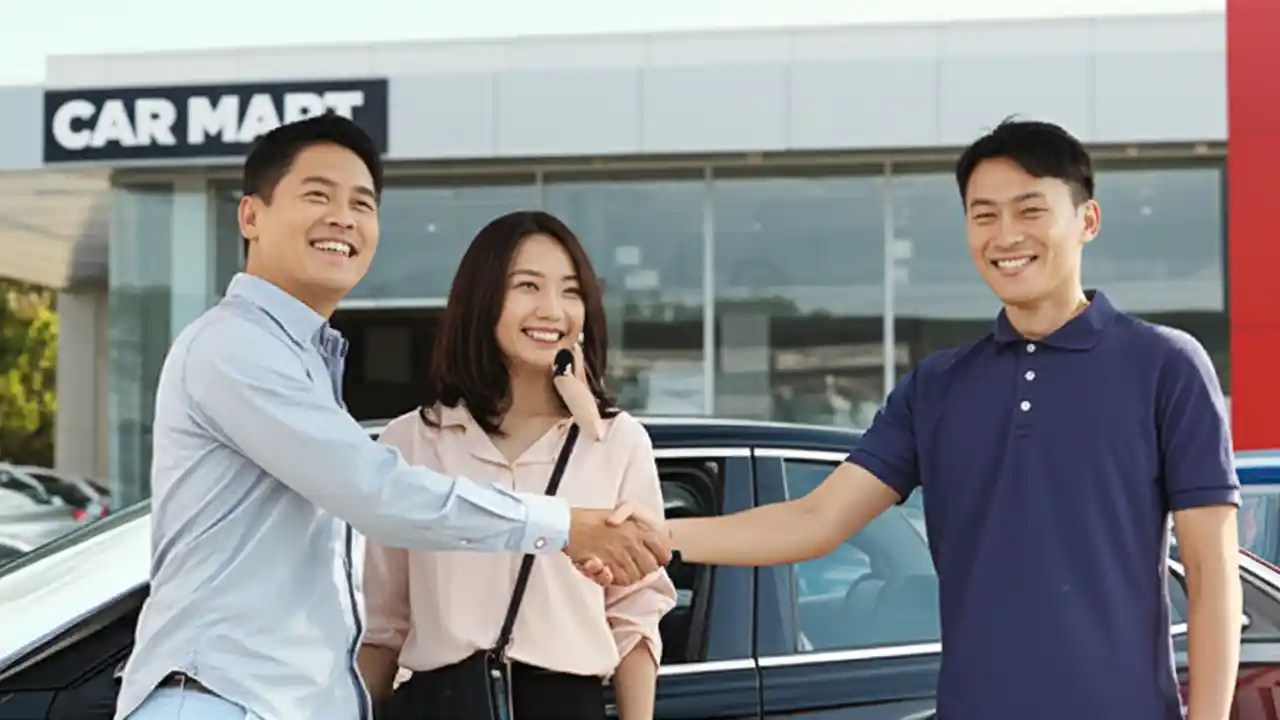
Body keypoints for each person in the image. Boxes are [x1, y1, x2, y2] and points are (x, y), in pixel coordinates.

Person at [612, 119, 1243, 719]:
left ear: (1087, 221)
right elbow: (813, 519)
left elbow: (1213, 577)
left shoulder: (1164, 366)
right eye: (983, 214)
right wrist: (654, 537)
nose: (1006, 235)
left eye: (1030, 210)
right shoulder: (938, 387)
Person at [114, 115, 669, 720]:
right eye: (318, 195)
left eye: (362, 203)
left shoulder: (307, 363)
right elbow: (377, 512)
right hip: (229, 699)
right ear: (251, 216)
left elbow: (637, 610)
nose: (343, 218)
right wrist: (565, 524)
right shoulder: (239, 352)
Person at [356, 210, 676, 720]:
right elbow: (382, 625)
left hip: (566, 703)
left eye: (571, 291)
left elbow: (635, 616)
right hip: (441, 703)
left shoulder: (617, 443)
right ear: (481, 300)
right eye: (528, 285)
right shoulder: (413, 441)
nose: (552, 309)